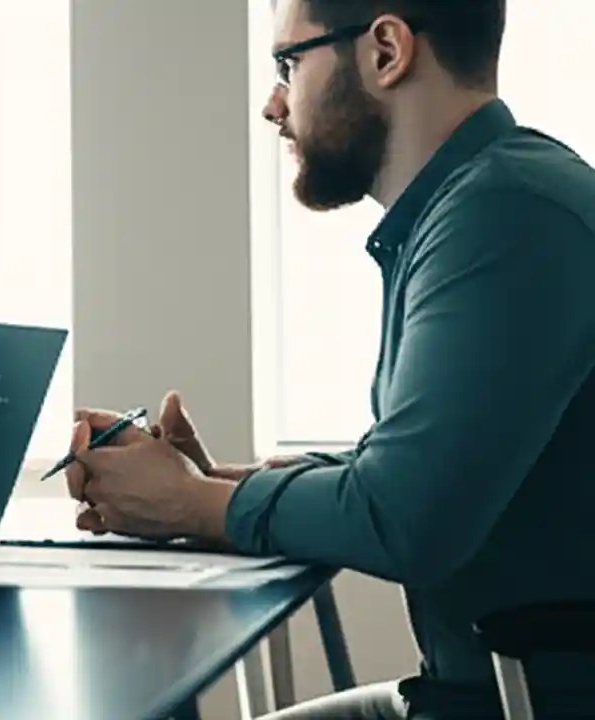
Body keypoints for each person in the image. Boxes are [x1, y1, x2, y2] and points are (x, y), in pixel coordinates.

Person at [65, 0, 595, 718]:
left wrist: (195, 502)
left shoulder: (504, 216)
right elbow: (406, 472)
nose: (272, 103)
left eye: (289, 63)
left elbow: (403, 518)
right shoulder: (478, 207)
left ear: (385, 51)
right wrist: (212, 485)